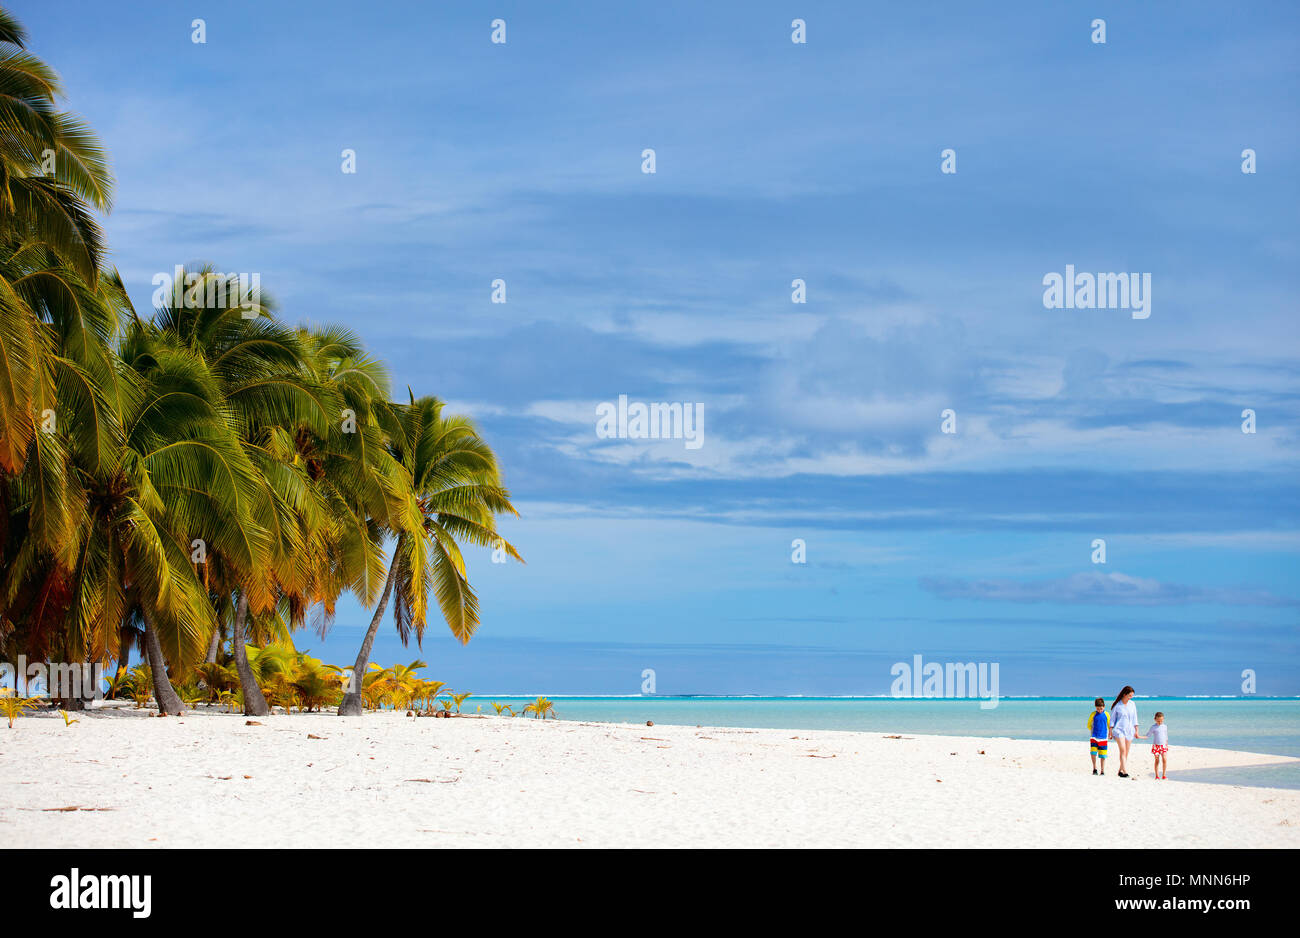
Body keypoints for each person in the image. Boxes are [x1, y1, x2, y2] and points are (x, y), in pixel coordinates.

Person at [1109, 685, 1140, 778]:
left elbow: (1135, 718)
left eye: (1132, 696)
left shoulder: (1132, 704)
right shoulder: (1117, 705)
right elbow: (1112, 719)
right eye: (1130, 695)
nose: (1131, 697)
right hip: (1119, 730)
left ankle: (1120, 770)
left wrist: (1136, 730)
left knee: (1126, 751)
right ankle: (1125, 771)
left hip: (1130, 730)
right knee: (1122, 750)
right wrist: (1110, 731)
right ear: (1124, 694)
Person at [1139, 711, 1169, 779]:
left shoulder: (1165, 726)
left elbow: (1166, 736)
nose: (1160, 722)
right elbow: (1147, 735)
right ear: (1155, 719)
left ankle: (1164, 775)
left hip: (1163, 745)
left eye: (1161, 720)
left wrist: (1166, 744)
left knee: (1164, 759)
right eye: (1158, 721)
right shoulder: (1153, 727)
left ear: (1163, 719)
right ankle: (1157, 775)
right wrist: (1139, 736)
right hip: (1156, 746)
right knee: (1157, 760)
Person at [1087, 697, 1110, 775]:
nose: (1099, 710)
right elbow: (1089, 724)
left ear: (1104, 706)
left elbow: (1109, 725)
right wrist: (1092, 730)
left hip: (1103, 738)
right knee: (1093, 753)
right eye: (1098, 708)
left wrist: (1110, 733)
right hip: (1094, 737)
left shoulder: (1106, 714)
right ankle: (1094, 768)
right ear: (1095, 707)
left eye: (1101, 708)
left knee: (1103, 755)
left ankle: (1102, 770)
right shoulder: (1093, 714)